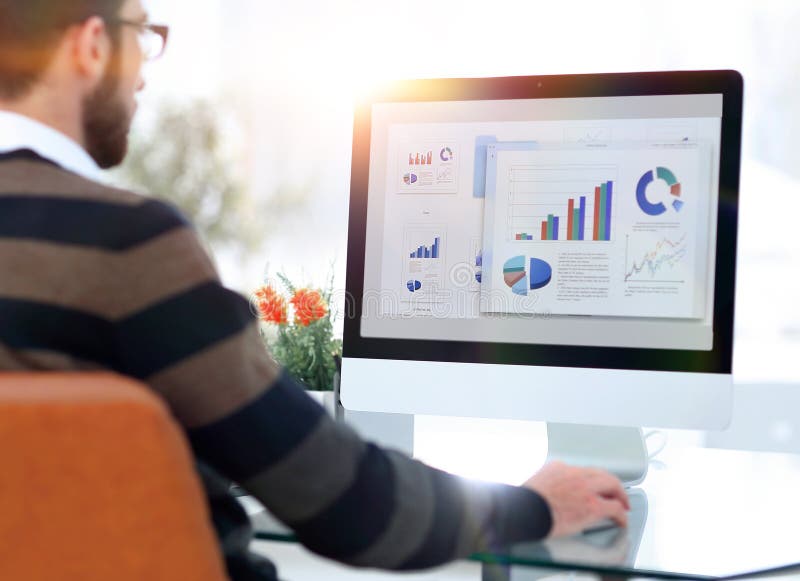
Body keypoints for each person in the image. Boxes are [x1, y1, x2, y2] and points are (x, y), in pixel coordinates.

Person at [0, 0, 630, 578]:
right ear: (91, 46)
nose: (143, 72)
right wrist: (531, 507)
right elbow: (348, 503)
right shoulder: (127, 243)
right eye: (143, 33)